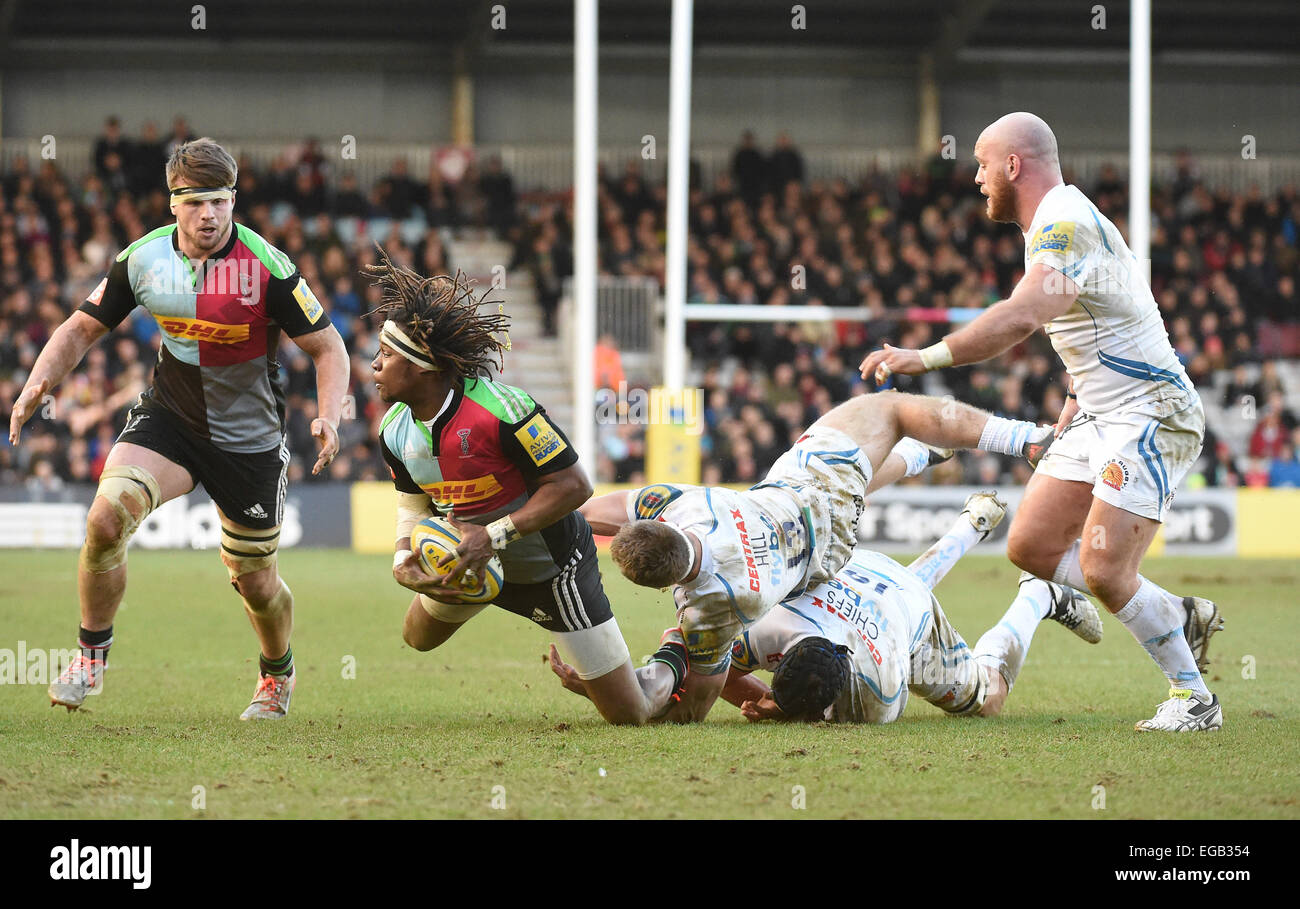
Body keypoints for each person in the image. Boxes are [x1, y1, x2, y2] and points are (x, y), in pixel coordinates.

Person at [858, 112, 1223, 732]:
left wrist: (923, 357)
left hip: (1149, 413)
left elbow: (1023, 317)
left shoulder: (1064, 223)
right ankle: (1173, 614)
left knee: (1106, 571)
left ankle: (1194, 698)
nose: (975, 177)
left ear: (1013, 165)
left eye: (981, 163)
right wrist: (1070, 411)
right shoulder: (1054, 225)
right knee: (1031, 547)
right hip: (1100, 412)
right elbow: (1094, 331)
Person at [10, 138, 349, 719]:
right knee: (104, 518)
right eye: (195, 203)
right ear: (173, 204)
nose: (209, 215)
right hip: (171, 419)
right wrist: (39, 382)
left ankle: (276, 674)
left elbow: (329, 348)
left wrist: (328, 412)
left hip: (249, 439)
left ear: (234, 200)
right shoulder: (141, 259)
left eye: (219, 201)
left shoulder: (268, 267)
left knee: (254, 581)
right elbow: (79, 330)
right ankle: (91, 655)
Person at [578, 392, 1047, 724]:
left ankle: (1031, 590)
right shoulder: (689, 503)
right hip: (814, 508)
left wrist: (616, 691)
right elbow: (592, 510)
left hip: (849, 572)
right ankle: (1021, 439)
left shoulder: (723, 606)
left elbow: (698, 698)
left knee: (984, 695)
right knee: (889, 409)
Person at [368, 252, 679, 725]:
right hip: (470, 568)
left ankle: (672, 660)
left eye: (387, 355)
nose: (373, 364)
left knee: (629, 716)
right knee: (417, 637)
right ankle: (484, 590)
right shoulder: (393, 428)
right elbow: (411, 496)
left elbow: (574, 486)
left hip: (552, 569)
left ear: (424, 367)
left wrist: (489, 537)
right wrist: (401, 557)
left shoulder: (504, 410)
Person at [719, 492, 1102, 723]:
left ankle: (1037, 597)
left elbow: (726, 675)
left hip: (910, 623)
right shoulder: (765, 626)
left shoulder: (876, 695)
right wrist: (777, 703)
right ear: (780, 655)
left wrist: (780, 710)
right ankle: (971, 525)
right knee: (896, 595)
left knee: (986, 699)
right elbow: (717, 669)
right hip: (865, 571)